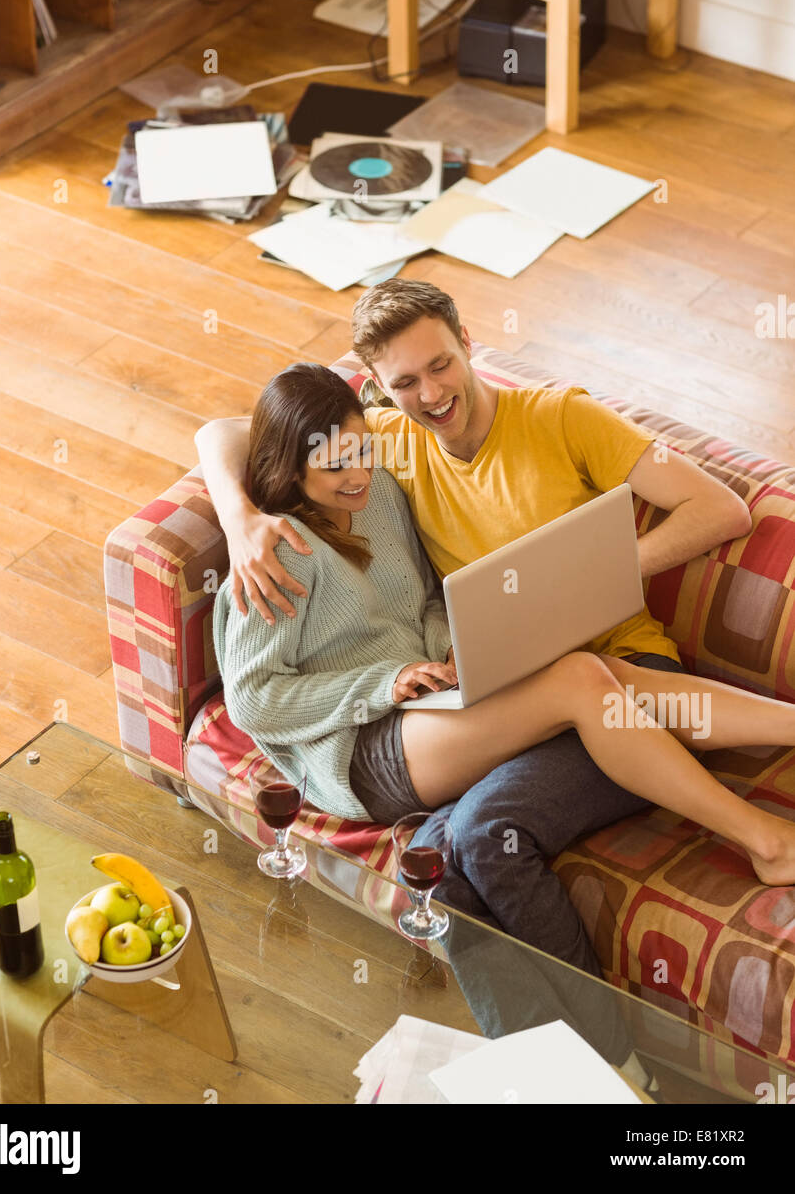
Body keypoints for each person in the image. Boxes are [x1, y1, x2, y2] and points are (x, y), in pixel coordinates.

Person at [198, 281, 795, 977]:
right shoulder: (378, 454)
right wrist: (238, 517)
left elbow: (721, 510)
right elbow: (231, 432)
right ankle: (584, 1061)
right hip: (469, 702)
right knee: (490, 811)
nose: (430, 394)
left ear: (467, 343)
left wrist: (595, 578)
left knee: (541, 745)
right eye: (405, 383)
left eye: (442, 364)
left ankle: (761, 847)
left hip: (585, 671)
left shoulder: (550, 421)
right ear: (379, 393)